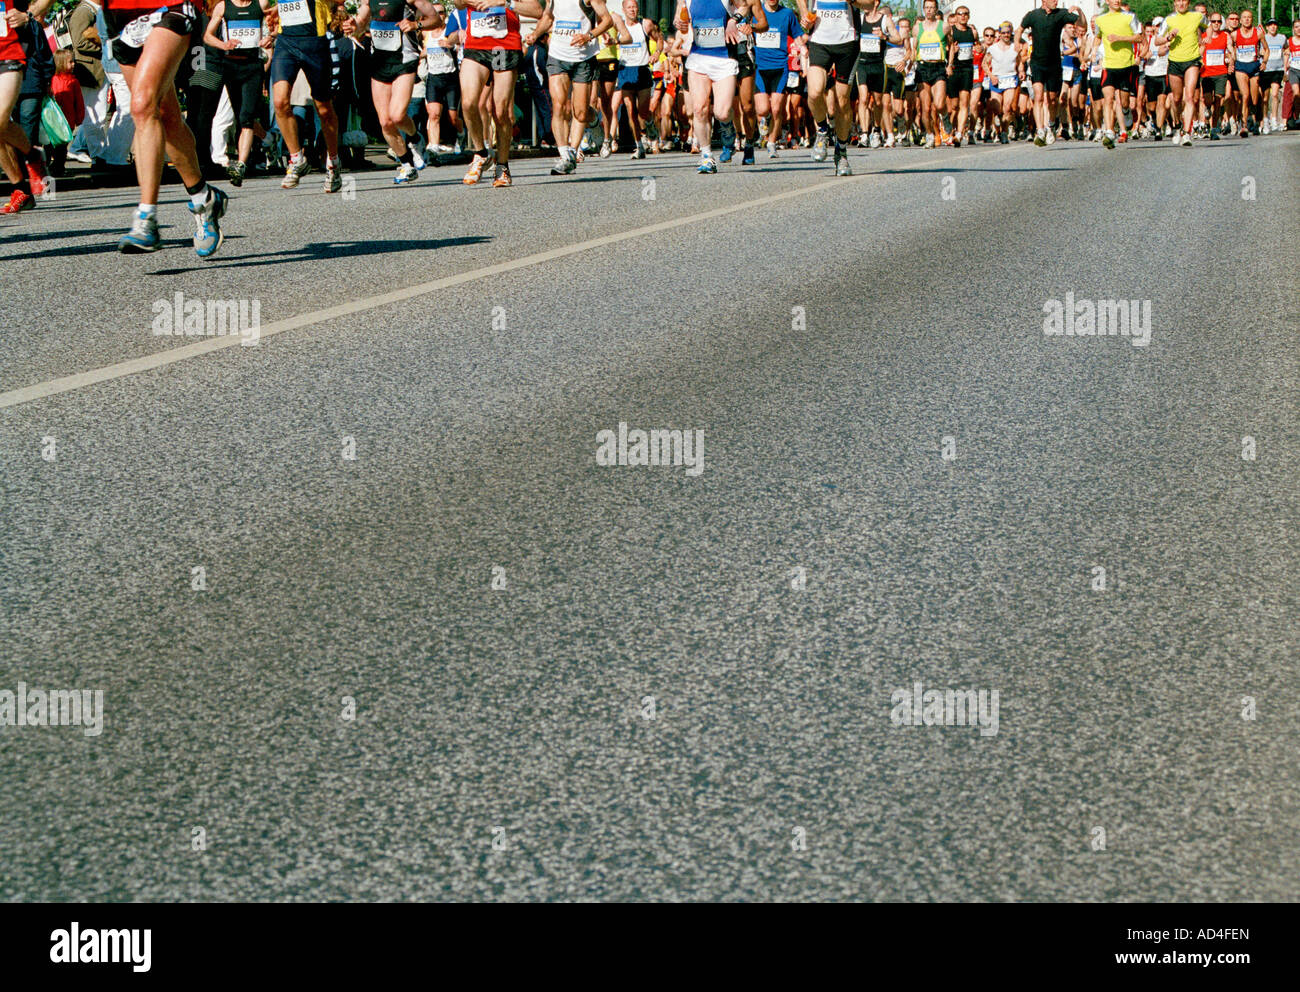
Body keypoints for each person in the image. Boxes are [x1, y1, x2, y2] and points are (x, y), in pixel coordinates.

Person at [98, 0, 228, 253]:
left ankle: (146, 218)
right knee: (166, 117)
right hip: (120, 16)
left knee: (142, 105)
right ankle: (203, 198)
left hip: (170, 6)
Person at [455, 0, 546, 189]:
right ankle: (480, 153)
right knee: (468, 103)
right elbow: (458, 4)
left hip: (504, 48)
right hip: (476, 47)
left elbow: (537, 11)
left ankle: (502, 165)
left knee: (501, 111)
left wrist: (504, 2)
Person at [530, 0, 624, 176]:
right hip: (557, 56)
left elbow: (607, 20)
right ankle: (567, 155)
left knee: (580, 112)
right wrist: (535, 34)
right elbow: (548, 17)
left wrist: (588, 36)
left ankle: (594, 121)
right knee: (558, 106)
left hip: (583, 58)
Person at [356, 0, 440, 185]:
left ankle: (416, 138)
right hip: (379, 61)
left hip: (404, 60)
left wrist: (415, 24)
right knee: (385, 122)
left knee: (397, 115)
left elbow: (435, 19)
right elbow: (361, 20)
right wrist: (352, 25)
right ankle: (406, 165)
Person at [271, 0, 344, 192]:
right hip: (285, 41)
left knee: (324, 109)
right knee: (279, 102)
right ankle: (296, 159)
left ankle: (334, 163)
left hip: (315, 41)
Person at [796, 0, 876, 172]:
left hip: (847, 43)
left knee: (842, 101)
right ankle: (822, 131)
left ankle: (841, 151)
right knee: (815, 92)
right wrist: (804, 13)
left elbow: (870, 4)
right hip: (819, 41)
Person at [204, 0, 274, 186]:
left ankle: (241, 164)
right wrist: (223, 44)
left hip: (253, 66)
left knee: (246, 117)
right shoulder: (223, 6)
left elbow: (275, 23)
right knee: (238, 114)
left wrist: (271, 38)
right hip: (231, 66)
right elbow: (208, 36)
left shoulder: (261, 4)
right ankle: (267, 140)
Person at [1016, 0, 1079, 145]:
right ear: (1044, 1)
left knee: (1051, 99)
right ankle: (1040, 130)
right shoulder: (1033, 15)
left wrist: (1079, 12)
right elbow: (1019, 29)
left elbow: (1082, 24)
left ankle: (1050, 125)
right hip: (1037, 63)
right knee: (1038, 97)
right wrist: (1016, 43)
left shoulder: (1061, 14)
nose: (1056, 1)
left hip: (1054, 63)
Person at [611, 0, 660, 159]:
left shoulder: (645, 25)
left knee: (643, 112)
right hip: (625, 70)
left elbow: (659, 38)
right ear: (623, 10)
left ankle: (650, 124)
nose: (632, 10)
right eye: (629, 8)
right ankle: (639, 145)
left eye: (635, 7)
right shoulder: (618, 26)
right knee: (630, 110)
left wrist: (657, 52)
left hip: (642, 68)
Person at [753, 0, 800, 156]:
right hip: (760, 67)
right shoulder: (755, 12)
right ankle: (764, 119)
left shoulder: (787, 14)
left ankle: (772, 142)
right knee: (762, 109)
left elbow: (798, 34)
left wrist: (804, 48)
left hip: (780, 67)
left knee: (777, 108)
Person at [1093, 0, 1139, 149]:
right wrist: (1094, 51)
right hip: (1109, 66)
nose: (1116, 1)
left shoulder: (1129, 17)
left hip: (1126, 65)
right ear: (1107, 1)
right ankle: (1109, 132)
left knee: (1124, 103)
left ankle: (1126, 112)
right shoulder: (1100, 20)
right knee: (1108, 98)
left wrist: (1120, 38)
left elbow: (1139, 37)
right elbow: (1098, 37)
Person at [1157, 0, 1203, 146]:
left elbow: (1209, 28)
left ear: (1188, 3)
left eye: (1184, 0)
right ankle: (1177, 126)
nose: (1181, 3)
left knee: (1189, 97)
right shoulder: (1169, 19)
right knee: (1176, 99)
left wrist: (1204, 39)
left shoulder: (1197, 16)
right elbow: (1157, 41)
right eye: (1178, 1)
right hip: (1175, 62)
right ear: (1174, 3)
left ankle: (1187, 132)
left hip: (1192, 60)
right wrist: (1168, 38)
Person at [422, 12, 461, 154]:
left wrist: (450, 44)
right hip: (434, 78)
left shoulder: (449, 32)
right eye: (435, 13)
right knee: (433, 114)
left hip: (450, 78)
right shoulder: (426, 33)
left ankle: (461, 135)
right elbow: (422, 50)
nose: (438, 15)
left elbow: (459, 42)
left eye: (441, 13)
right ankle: (434, 146)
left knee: (453, 117)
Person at [910, 0, 946, 148]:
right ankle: (930, 135)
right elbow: (913, 49)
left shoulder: (943, 26)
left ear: (936, 9)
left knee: (938, 104)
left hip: (938, 66)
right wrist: (909, 63)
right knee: (925, 107)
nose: (929, 10)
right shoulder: (917, 28)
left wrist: (949, 63)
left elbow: (949, 43)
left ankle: (945, 117)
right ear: (924, 9)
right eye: (927, 8)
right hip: (923, 67)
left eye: (932, 8)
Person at [1199, 10, 1233, 140]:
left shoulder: (1225, 35)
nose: (1216, 24)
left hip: (1221, 73)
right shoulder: (1203, 36)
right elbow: (1199, 52)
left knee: (1219, 100)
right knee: (1207, 99)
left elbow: (1230, 49)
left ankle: (1213, 128)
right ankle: (1207, 108)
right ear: (1209, 22)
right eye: (1214, 21)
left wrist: (1232, 59)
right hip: (1206, 73)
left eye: (1219, 21)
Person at [943, 4, 974, 145]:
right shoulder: (951, 32)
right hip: (954, 68)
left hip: (967, 69)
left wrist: (980, 48)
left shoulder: (972, 32)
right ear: (956, 16)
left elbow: (977, 46)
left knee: (964, 103)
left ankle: (960, 133)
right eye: (960, 13)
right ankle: (951, 129)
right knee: (953, 107)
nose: (963, 16)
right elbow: (946, 50)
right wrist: (950, 61)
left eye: (965, 13)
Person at [1231, 8, 1261, 137]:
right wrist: (1231, 62)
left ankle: (1254, 121)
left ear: (1252, 19)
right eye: (1244, 17)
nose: (1247, 19)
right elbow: (1229, 49)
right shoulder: (1235, 35)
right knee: (1245, 95)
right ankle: (1243, 125)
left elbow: (1266, 49)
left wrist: (1264, 61)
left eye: (1249, 17)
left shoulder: (1258, 33)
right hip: (1241, 67)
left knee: (1254, 99)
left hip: (1254, 66)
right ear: (1241, 20)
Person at [1258, 18, 1284, 133]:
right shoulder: (1263, 38)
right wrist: (1260, 53)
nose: (1273, 27)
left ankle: (1274, 119)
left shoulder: (1282, 38)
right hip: (1265, 70)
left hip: (1278, 69)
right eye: (1270, 25)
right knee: (1264, 97)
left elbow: (1287, 48)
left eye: (1275, 25)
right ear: (1267, 27)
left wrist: (1286, 62)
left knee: (1274, 95)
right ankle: (1265, 119)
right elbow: (1258, 50)